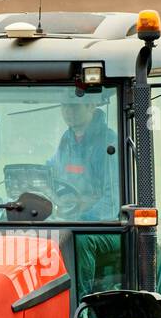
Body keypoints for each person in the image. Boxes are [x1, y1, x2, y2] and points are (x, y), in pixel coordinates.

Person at [47, 96, 121, 294]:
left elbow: (112, 201)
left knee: (79, 239)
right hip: (73, 220)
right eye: (64, 104)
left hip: (111, 226)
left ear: (91, 105)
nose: (68, 110)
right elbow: (52, 171)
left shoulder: (108, 143)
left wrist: (79, 220)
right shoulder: (67, 140)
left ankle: (81, 308)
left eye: (74, 105)